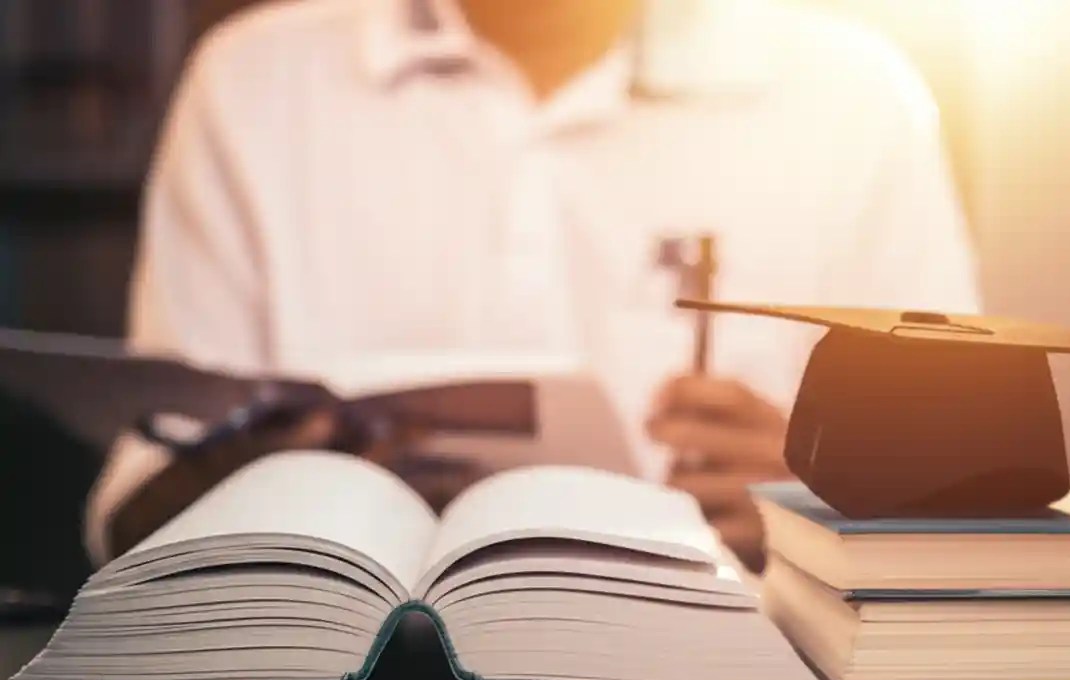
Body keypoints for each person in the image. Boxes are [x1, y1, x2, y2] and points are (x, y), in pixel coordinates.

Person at [85, 0, 980, 570]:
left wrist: (829, 501)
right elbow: (136, 523)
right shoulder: (251, 84)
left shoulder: (855, 97)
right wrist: (261, 478)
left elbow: (972, 505)